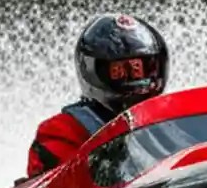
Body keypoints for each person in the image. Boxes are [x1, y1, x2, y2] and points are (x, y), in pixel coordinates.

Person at [25, 13, 169, 179]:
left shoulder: (172, 117)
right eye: (120, 71)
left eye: (142, 67)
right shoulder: (62, 130)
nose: (134, 79)